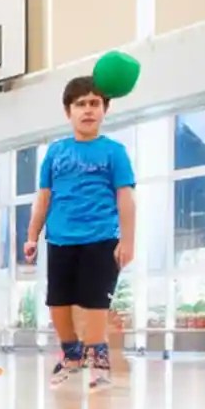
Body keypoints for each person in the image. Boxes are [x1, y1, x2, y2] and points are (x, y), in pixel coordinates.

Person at [24, 75, 135, 391]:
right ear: (68, 111)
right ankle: (72, 353)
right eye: (80, 104)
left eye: (94, 104)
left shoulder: (114, 152)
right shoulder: (56, 152)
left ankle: (99, 360)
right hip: (60, 239)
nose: (88, 110)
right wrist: (32, 236)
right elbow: (43, 198)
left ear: (105, 110)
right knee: (57, 302)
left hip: (102, 238)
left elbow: (126, 199)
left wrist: (128, 241)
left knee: (94, 302)